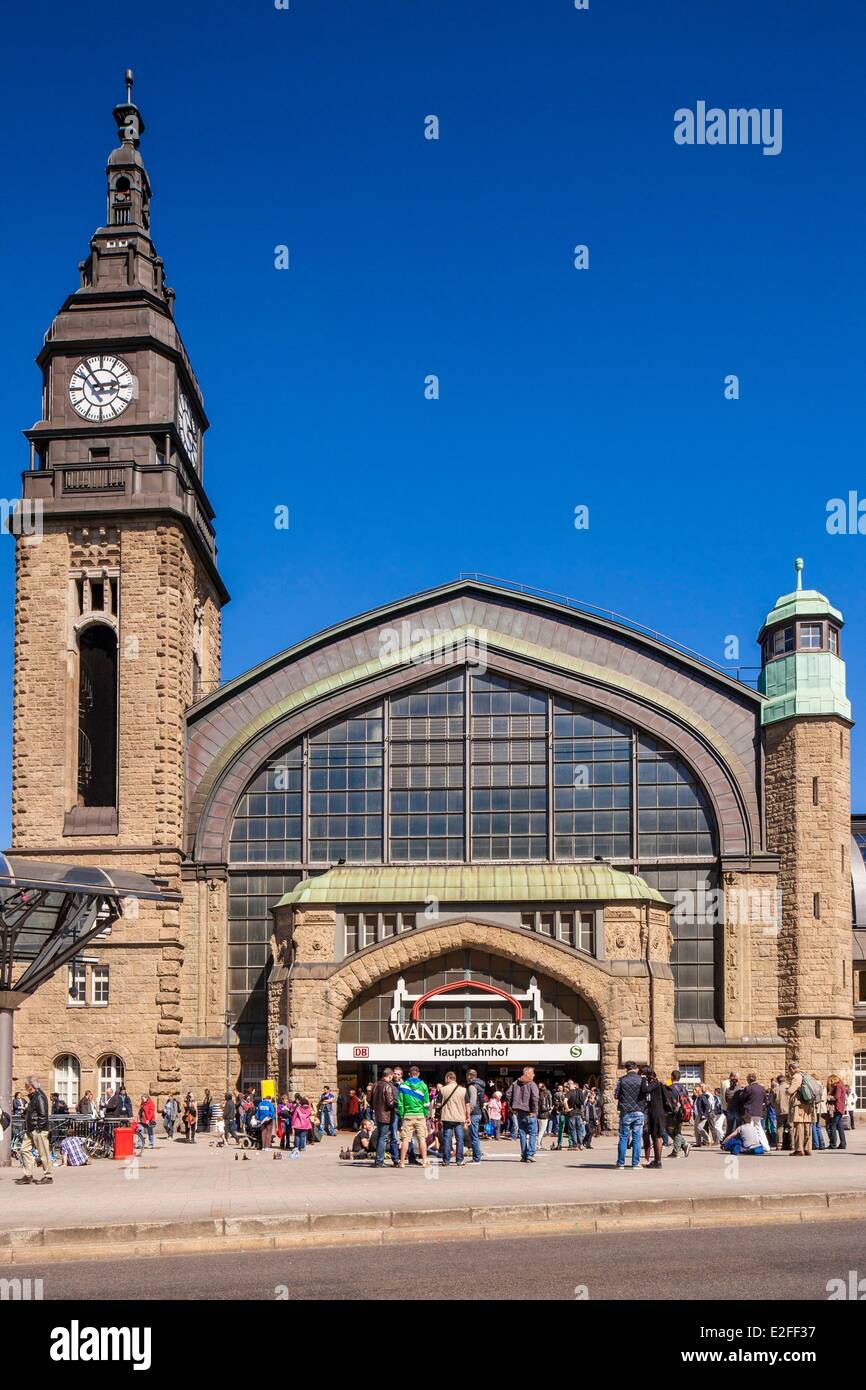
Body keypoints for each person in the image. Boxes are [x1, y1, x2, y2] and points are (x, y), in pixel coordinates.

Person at [14, 1076, 54, 1187]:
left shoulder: (39, 1096)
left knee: (43, 1153)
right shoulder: (34, 1097)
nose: (25, 1088)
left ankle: (48, 1176)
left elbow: (43, 1114)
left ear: (30, 1086)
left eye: (26, 1086)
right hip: (31, 1129)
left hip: (38, 1130)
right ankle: (28, 1175)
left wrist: (38, 1129)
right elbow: (34, 1113)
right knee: (24, 1150)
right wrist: (26, 1113)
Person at [614, 1062, 647, 1170]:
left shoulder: (622, 1080)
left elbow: (616, 1095)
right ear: (636, 1068)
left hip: (626, 1111)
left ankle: (621, 1163)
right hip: (639, 1111)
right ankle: (635, 1163)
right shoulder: (641, 1080)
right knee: (637, 1138)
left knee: (623, 1137)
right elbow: (645, 1094)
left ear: (626, 1069)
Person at [397, 1065, 431, 1168]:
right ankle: (425, 1161)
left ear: (409, 1074)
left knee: (405, 1140)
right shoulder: (424, 1086)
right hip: (420, 1115)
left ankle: (402, 1162)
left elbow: (400, 1103)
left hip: (408, 1116)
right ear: (418, 1074)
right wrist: (425, 1114)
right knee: (422, 1139)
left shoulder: (403, 1086)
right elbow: (426, 1103)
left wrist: (402, 1114)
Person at [505, 1066, 540, 1163]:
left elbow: (507, 1094)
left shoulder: (515, 1083)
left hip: (519, 1112)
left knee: (523, 1133)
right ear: (528, 1074)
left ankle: (524, 1155)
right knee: (533, 1133)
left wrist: (512, 1108)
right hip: (529, 1112)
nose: (534, 1075)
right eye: (532, 1073)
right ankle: (530, 1154)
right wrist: (534, 1111)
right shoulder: (532, 1084)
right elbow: (535, 1098)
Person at [438, 1071, 470, 1166]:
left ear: (448, 1078)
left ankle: (446, 1160)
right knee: (460, 1138)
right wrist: (468, 1117)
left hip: (447, 1117)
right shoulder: (463, 1090)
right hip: (459, 1118)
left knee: (447, 1138)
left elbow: (438, 1104)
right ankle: (459, 1160)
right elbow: (467, 1105)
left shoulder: (443, 1090)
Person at [644, 1069, 673, 1168]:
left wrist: (643, 1080)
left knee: (657, 1137)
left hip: (657, 1113)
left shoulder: (655, 1083)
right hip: (657, 1112)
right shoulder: (658, 1083)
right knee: (655, 1136)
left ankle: (658, 1162)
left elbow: (645, 1090)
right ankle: (657, 1160)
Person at [371, 1067, 399, 1168]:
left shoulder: (375, 1084)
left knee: (380, 1136)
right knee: (383, 1137)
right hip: (386, 1115)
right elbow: (390, 1103)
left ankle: (378, 1160)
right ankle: (379, 1161)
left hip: (377, 1114)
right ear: (390, 1075)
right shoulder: (387, 1086)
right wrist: (397, 1103)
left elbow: (371, 1100)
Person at [787, 1061, 816, 1156]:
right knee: (807, 1126)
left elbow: (791, 1090)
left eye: (789, 1070)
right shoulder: (806, 1075)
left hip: (799, 1105)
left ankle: (799, 1149)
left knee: (798, 1126)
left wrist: (787, 1090)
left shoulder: (796, 1077)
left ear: (792, 1068)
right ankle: (807, 1148)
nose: (789, 1072)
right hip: (808, 1104)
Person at [667, 1070, 691, 1158]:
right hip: (683, 1112)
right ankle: (681, 1146)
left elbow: (668, 1102)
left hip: (673, 1112)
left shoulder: (670, 1088)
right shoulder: (684, 1088)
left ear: (672, 1077)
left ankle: (679, 1149)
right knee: (676, 1130)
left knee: (672, 1130)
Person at [465, 1069, 486, 1163]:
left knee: (474, 1136)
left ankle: (476, 1158)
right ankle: (476, 1156)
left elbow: (472, 1103)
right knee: (475, 1135)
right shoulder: (480, 1085)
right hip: (479, 1112)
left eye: (466, 1075)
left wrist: (468, 1114)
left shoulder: (472, 1086)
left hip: (474, 1114)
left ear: (470, 1076)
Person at [827, 1074, 848, 1150]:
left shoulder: (838, 1085)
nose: (831, 1083)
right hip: (841, 1108)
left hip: (838, 1108)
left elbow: (836, 1097)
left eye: (831, 1081)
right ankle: (843, 1143)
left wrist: (828, 1097)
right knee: (840, 1127)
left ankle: (833, 1144)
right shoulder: (841, 1084)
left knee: (832, 1126)